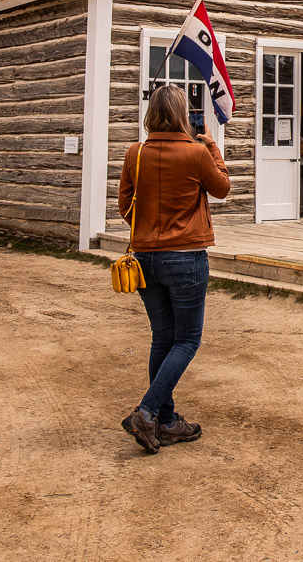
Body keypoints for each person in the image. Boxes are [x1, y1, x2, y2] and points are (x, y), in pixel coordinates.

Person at [118, 84, 231, 453]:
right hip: (187, 257)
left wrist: (150, 225)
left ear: (151, 113)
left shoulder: (136, 153)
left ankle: (165, 423)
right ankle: (148, 412)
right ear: (184, 114)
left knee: (162, 338)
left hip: (146, 257)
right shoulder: (197, 153)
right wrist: (213, 146)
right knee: (186, 340)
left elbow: (124, 206)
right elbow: (223, 188)